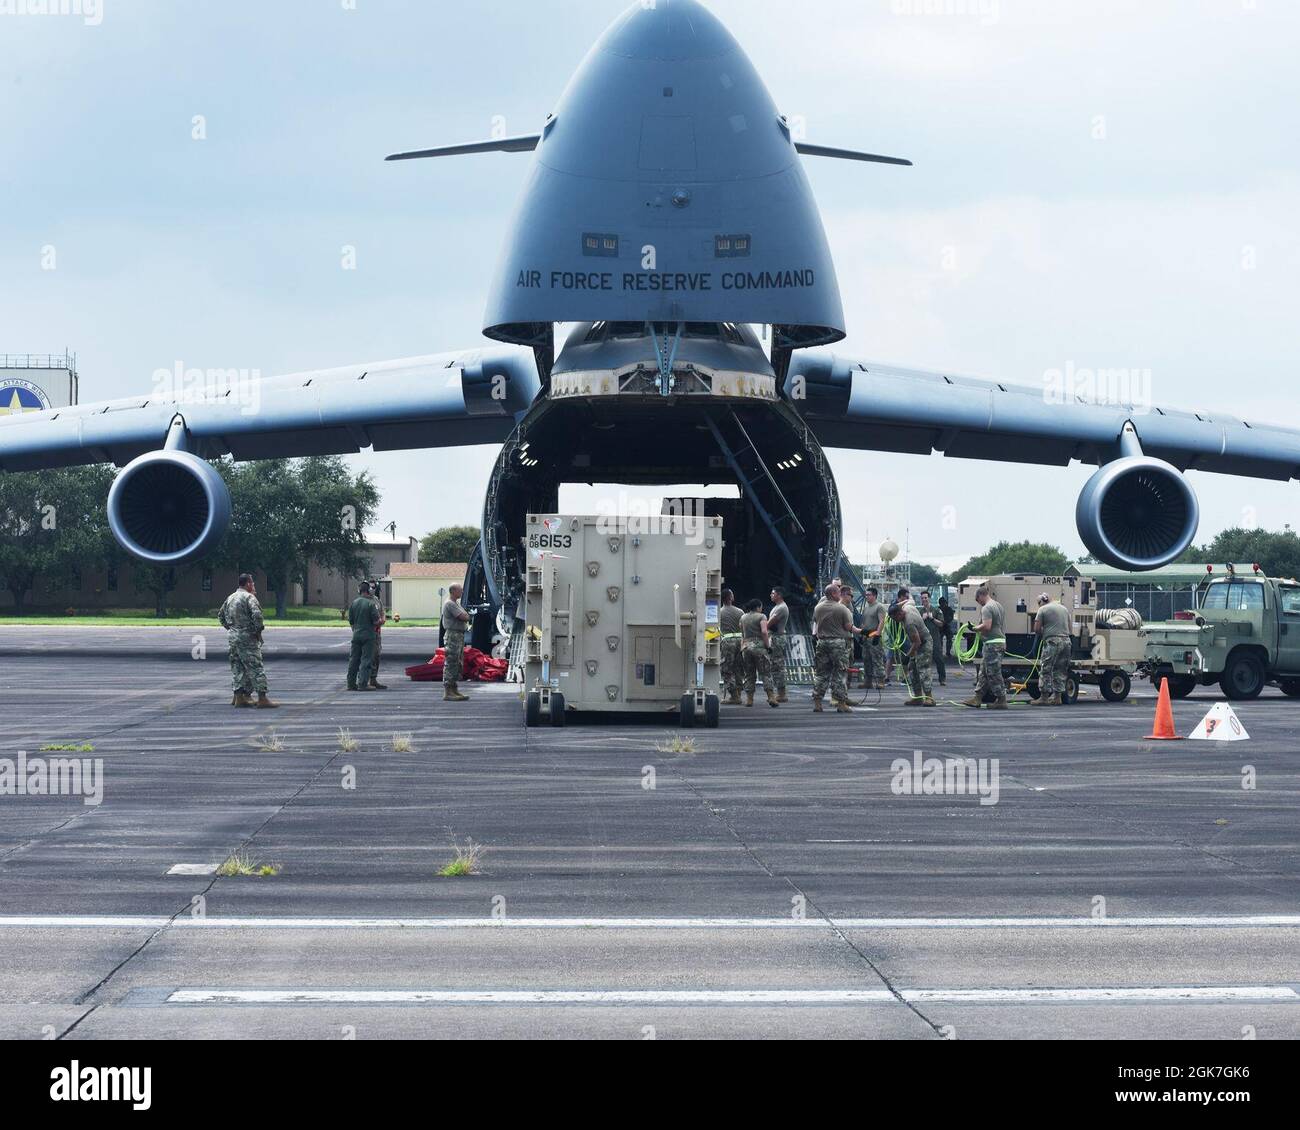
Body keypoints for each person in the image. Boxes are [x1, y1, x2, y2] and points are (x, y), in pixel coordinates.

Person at [219, 573, 277, 709]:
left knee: (237, 667)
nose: (254, 586)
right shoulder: (249, 597)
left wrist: (231, 628)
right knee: (256, 666)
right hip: (247, 637)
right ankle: (262, 698)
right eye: (253, 583)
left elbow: (221, 615)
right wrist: (257, 631)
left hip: (233, 637)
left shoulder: (230, 597)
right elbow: (257, 615)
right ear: (249, 584)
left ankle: (239, 698)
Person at [812, 583, 861, 713]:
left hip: (822, 642)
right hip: (838, 643)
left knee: (821, 673)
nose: (840, 594)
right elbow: (848, 627)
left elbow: (816, 623)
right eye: (838, 592)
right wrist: (862, 631)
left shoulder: (818, 608)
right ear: (833, 594)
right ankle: (841, 703)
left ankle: (817, 702)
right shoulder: (842, 609)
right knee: (840, 672)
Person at [962, 584, 1008, 710]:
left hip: (993, 644)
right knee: (984, 672)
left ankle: (1001, 699)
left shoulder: (987, 608)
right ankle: (977, 697)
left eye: (978, 601)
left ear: (981, 596)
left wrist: (975, 628)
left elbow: (987, 626)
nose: (979, 604)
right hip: (997, 641)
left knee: (993, 672)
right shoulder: (998, 605)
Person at [892, 601, 937, 706]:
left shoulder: (909, 623)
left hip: (924, 643)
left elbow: (917, 642)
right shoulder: (907, 607)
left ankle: (929, 697)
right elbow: (910, 599)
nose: (896, 621)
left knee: (923, 669)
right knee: (913, 668)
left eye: (895, 619)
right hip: (918, 643)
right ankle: (918, 697)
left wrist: (907, 656)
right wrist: (897, 604)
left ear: (899, 614)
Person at [1031, 592, 1072, 706]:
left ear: (1041, 602)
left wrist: (1045, 633)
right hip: (1066, 642)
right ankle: (1057, 697)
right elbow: (1070, 628)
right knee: (1060, 670)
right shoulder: (1064, 609)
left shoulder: (1042, 609)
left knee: (1046, 668)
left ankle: (1044, 697)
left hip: (1053, 642)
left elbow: (1037, 629)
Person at [740, 598, 778, 708]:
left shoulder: (743, 617)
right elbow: (764, 632)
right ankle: (771, 697)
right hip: (759, 647)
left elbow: (742, 633)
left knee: (749, 674)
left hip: (746, 647)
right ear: (758, 607)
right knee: (765, 673)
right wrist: (768, 646)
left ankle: (749, 699)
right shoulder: (761, 616)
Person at [347, 582, 381, 692]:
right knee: (366, 660)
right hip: (368, 636)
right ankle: (362, 683)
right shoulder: (370, 604)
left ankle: (351, 684)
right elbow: (376, 621)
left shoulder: (354, 603)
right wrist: (381, 621)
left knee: (353, 660)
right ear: (368, 591)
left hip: (356, 635)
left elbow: (351, 621)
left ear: (359, 591)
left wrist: (356, 630)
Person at [441, 583, 472, 702]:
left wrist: (466, 615)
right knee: (451, 662)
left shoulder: (455, 603)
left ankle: (454, 689)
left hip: (458, 635)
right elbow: (464, 617)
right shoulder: (450, 604)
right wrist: (466, 616)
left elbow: (465, 615)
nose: (462, 592)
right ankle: (448, 691)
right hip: (453, 635)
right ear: (453, 591)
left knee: (457, 662)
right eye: (460, 590)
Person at [718, 589, 744, 705]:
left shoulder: (719, 612)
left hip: (727, 642)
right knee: (738, 668)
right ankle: (738, 693)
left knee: (727, 669)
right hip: (740, 641)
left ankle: (733, 695)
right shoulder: (740, 612)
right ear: (730, 598)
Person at [859, 587, 887, 689]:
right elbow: (863, 622)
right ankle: (868, 681)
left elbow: (881, 621)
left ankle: (881, 680)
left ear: (874, 596)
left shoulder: (879, 607)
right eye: (866, 595)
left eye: (869, 595)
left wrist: (878, 635)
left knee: (877, 659)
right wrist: (862, 635)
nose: (867, 597)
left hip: (874, 635)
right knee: (866, 659)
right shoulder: (866, 607)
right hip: (866, 636)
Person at [767, 587, 790, 704]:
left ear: (779, 595)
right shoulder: (778, 607)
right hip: (775, 638)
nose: (771, 595)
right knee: (775, 665)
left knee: (778, 666)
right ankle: (780, 692)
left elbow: (769, 624)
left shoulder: (781, 608)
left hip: (777, 638)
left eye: (773, 593)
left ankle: (782, 694)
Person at [919, 591, 947, 687]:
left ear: (929, 598)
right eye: (922, 598)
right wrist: (922, 619)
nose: (924, 600)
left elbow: (941, 624)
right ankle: (924, 679)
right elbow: (916, 625)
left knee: (939, 658)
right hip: (923, 639)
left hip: (935, 638)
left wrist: (932, 618)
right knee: (923, 660)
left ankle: (942, 679)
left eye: (926, 598)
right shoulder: (920, 611)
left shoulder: (936, 610)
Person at [368, 581, 389, 690]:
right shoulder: (365, 601)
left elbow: (382, 611)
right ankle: (366, 680)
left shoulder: (377, 600)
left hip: (377, 633)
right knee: (368, 657)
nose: (372, 589)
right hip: (369, 633)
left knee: (376, 656)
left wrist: (383, 618)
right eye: (370, 587)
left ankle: (373, 679)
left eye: (373, 587)